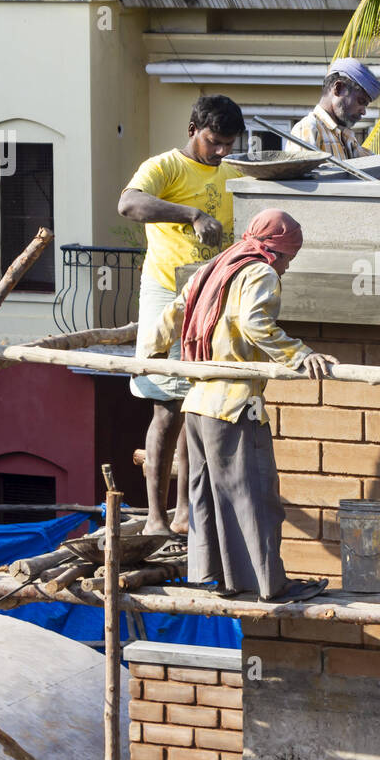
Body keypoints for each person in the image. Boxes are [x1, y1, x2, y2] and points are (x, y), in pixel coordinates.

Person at [147, 209, 336, 602]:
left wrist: (151, 353)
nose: (286, 268)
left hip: (197, 406)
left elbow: (173, 312)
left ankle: (215, 579)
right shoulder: (260, 273)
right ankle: (271, 587)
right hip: (234, 407)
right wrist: (300, 355)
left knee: (209, 496)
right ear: (276, 251)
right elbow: (255, 323)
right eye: (289, 259)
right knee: (254, 495)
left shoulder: (216, 267)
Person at [118, 95, 244, 536]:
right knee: (166, 409)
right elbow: (128, 204)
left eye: (229, 143)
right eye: (214, 141)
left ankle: (185, 514)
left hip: (210, 299)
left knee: (195, 408)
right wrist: (190, 213)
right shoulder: (165, 167)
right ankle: (155, 517)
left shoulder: (233, 172)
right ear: (193, 129)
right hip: (167, 295)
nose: (222, 151)